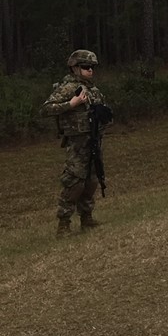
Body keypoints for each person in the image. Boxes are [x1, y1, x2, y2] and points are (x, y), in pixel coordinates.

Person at [40, 49, 112, 235]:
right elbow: (46, 109)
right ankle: (63, 224)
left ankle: (86, 218)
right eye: (86, 67)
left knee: (92, 181)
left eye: (92, 67)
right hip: (77, 143)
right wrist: (71, 104)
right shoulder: (68, 88)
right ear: (74, 68)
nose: (90, 70)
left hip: (93, 142)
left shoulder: (93, 90)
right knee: (74, 182)